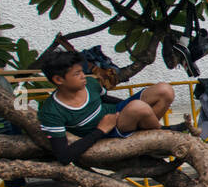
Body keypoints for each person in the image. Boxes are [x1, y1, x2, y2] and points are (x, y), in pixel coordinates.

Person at [37, 50, 189, 163]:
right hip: (105, 131)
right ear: (58, 79)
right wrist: (100, 130)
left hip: (118, 115)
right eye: (77, 74)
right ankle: (160, 139)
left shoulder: (90, 84)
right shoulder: (51, 112)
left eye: (82, 71)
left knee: (164, 90)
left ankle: (152, 140)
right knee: (138, 107)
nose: (83, 75)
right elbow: (63, 157)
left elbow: (106, 98)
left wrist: (132, 111)